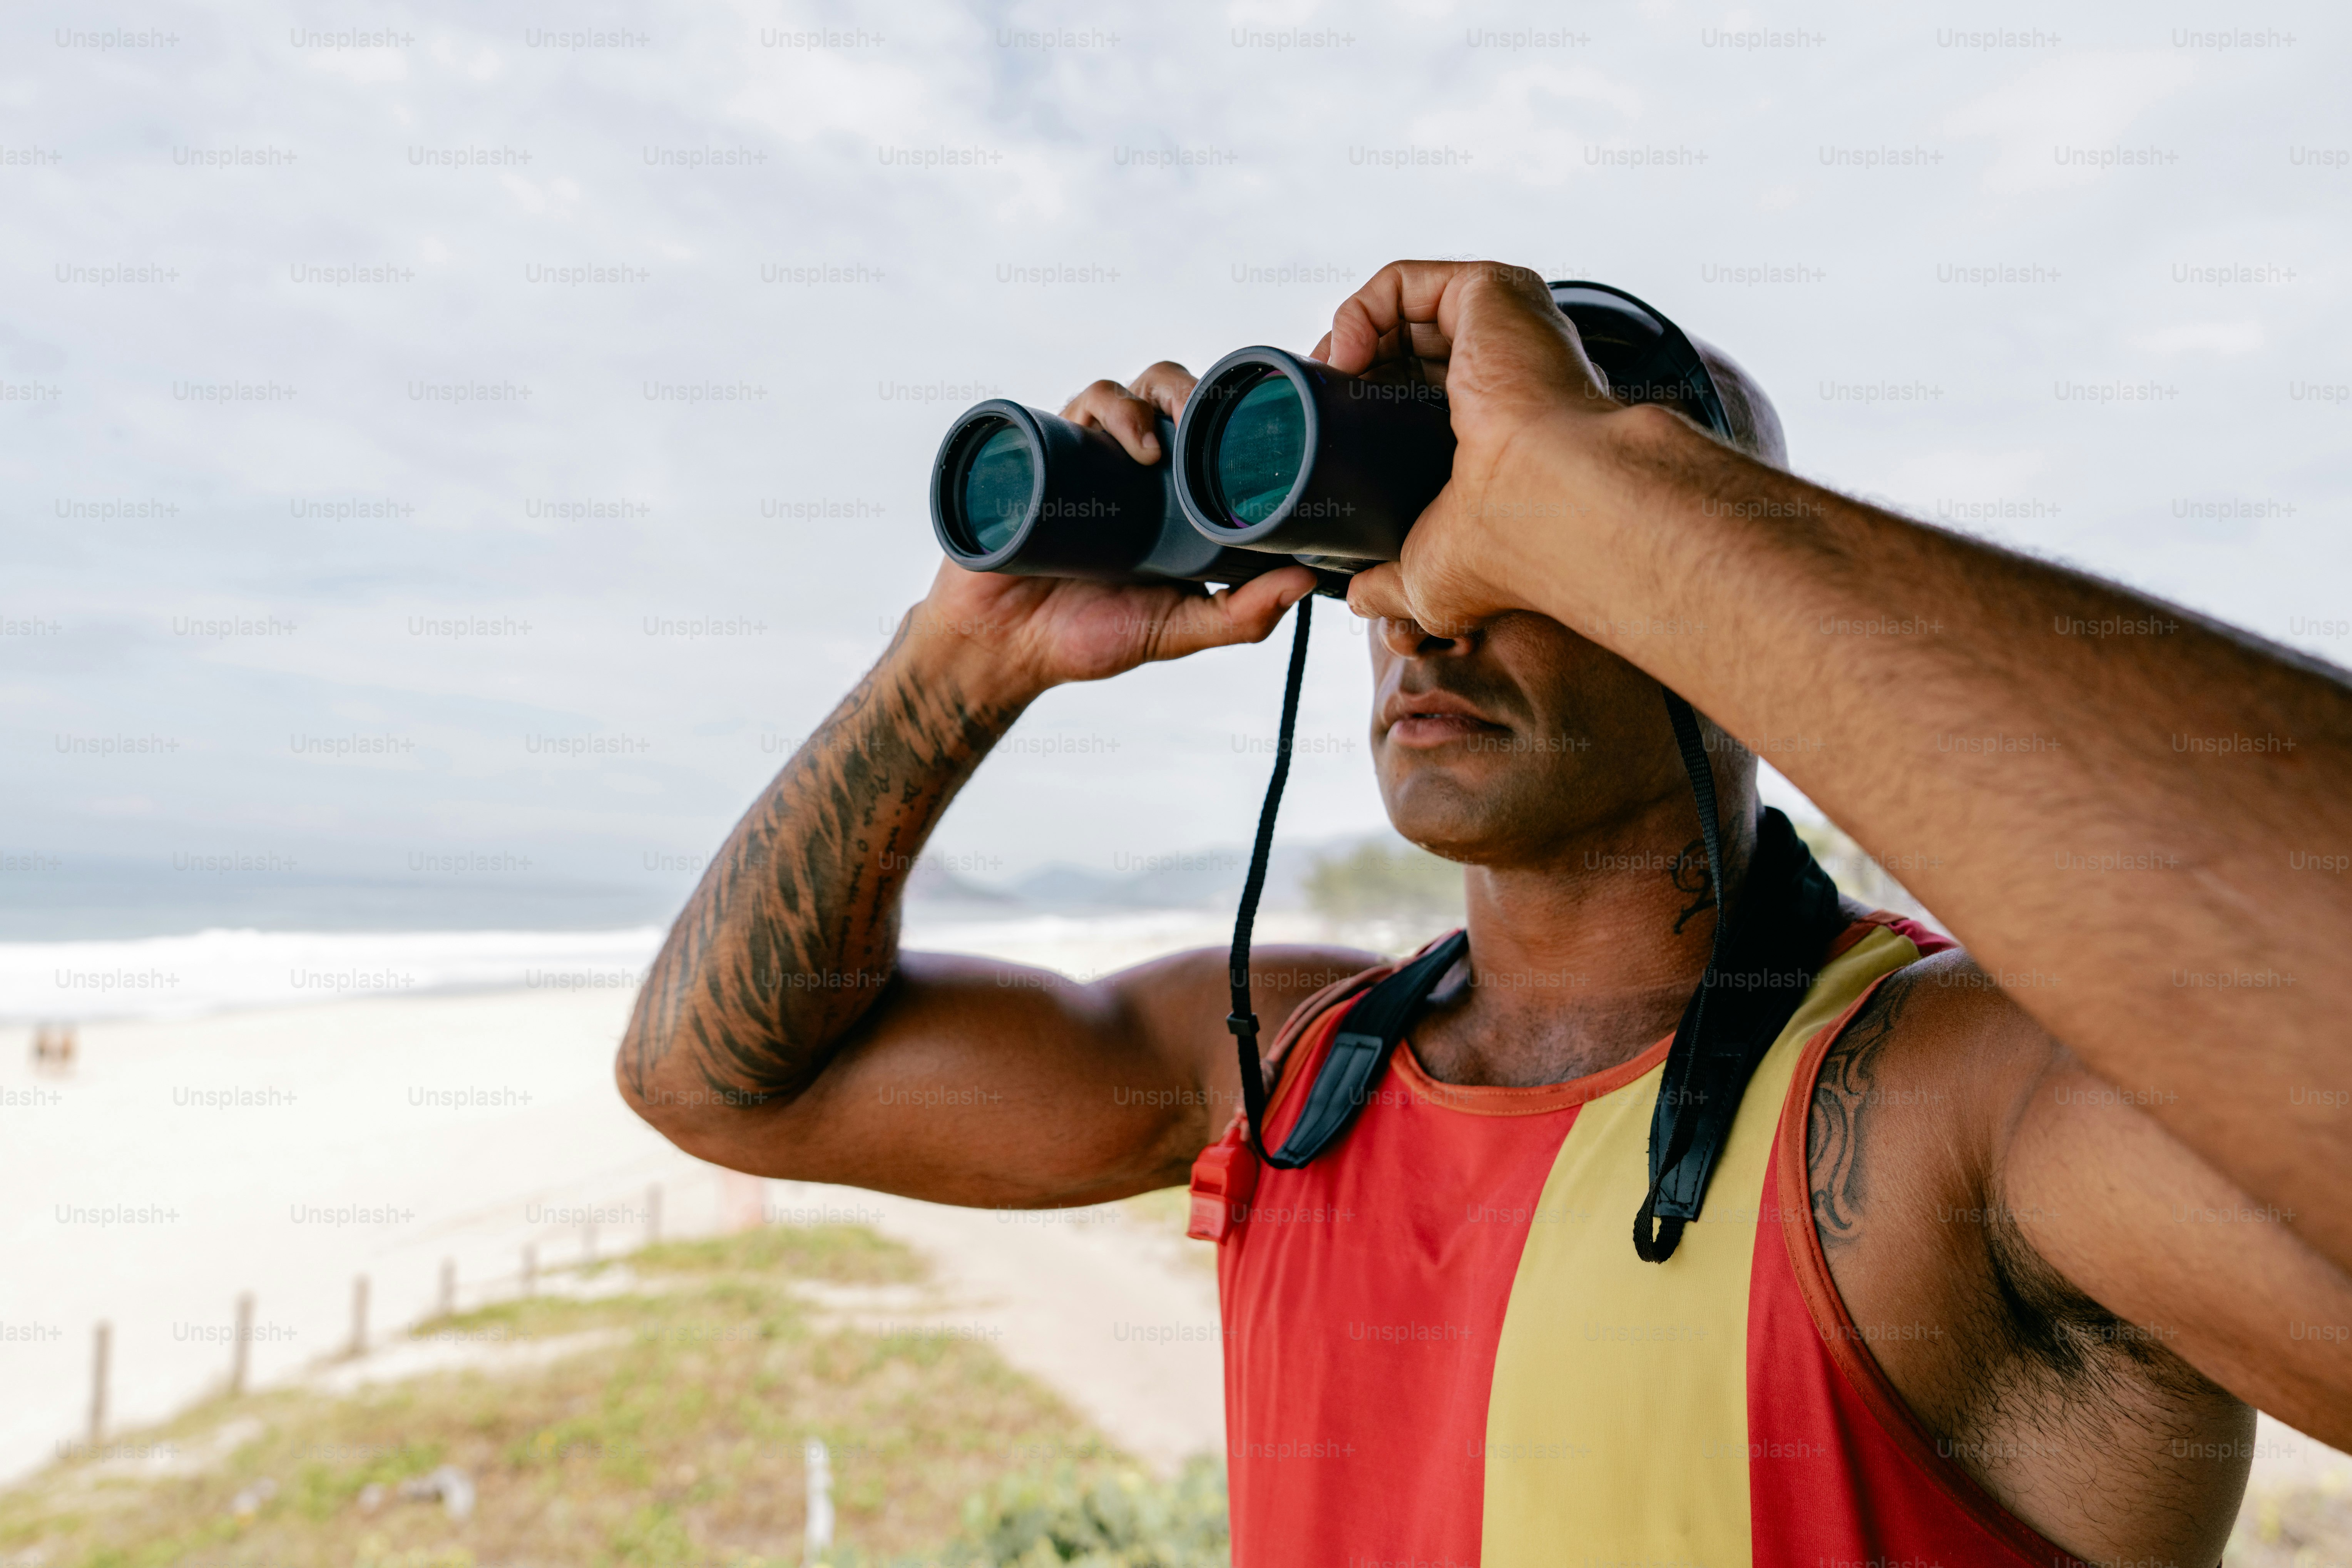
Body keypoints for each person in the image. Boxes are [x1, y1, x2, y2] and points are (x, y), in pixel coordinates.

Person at [618, 260, 2352, 1567]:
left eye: (1511, 552)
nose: (1424, 618)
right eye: (1401, 544)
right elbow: (721, 1079)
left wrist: (1618, 502)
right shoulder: (1292, 1069)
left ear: (1712, 582)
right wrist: (960, 661)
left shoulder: (1955, 1108)